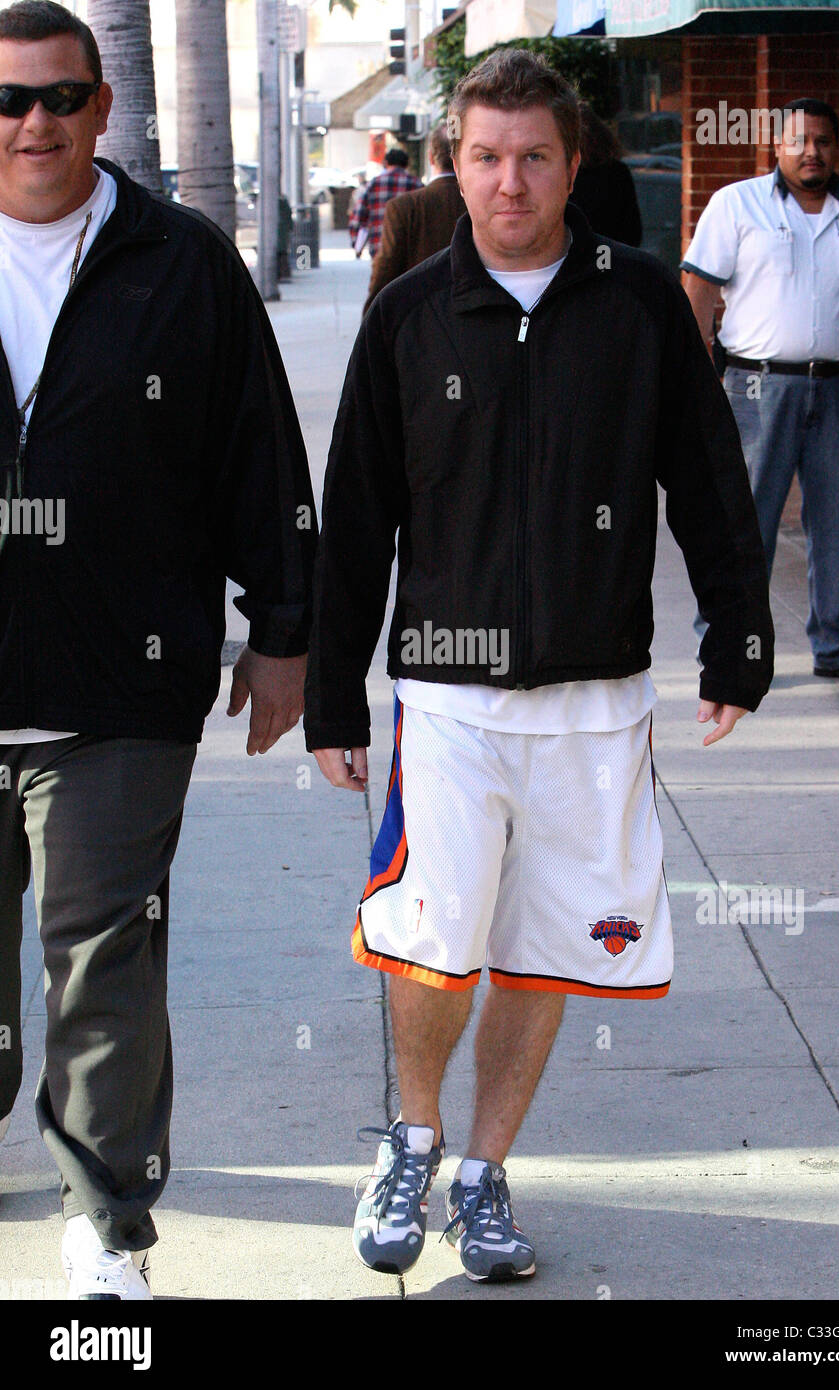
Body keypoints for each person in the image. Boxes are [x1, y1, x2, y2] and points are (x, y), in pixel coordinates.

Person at [304, 47, 773, 1284]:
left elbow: (710, 484)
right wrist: (332, 688)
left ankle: (484, 1174)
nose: (508, 182)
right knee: (427, 935)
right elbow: (355, 516)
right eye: (484, 157)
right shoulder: (407, 315)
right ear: (453, 166)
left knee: (548, 945)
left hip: (597, 695)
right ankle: (411, 1138)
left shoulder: (636, 305)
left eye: (533, 158)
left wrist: (738, 634)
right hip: (447, 697)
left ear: (573, 165)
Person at [0, 1, 316, 1298]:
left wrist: (285, 634)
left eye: (57, 98)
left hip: (119, 684)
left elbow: (261, 457)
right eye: (6, 102)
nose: (31, 124)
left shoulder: (180, 261)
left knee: (103, 961)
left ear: (102, 106)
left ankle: (106, 1219)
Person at [683, 98, 839, 682]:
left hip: (838, 390)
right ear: (776, 147)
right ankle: (728, 648)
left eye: (823, 141)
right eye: (799, 140)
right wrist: (690, 376)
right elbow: (698, 290)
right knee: (744, 520)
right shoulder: (737, 204)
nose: (812, 151)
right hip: (755, 388)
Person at [363, 121, 466, 313]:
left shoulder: (404, 207)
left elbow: (386, 265)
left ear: (430, 157)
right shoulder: (481, 204)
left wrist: (370, 315)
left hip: (418, 315)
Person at [568, 100, 641, 247]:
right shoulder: (618, 172)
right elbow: (633, 231)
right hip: (613, 258)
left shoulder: (565, 175)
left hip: (575, 259)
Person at [349, 145, 421, 262]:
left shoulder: (374, 184)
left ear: (386, 163)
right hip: (409, 250)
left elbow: (358, 216)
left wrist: (356, 244)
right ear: (406, 164)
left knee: (383, 280)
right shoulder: (416, 184)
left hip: (380, 248)